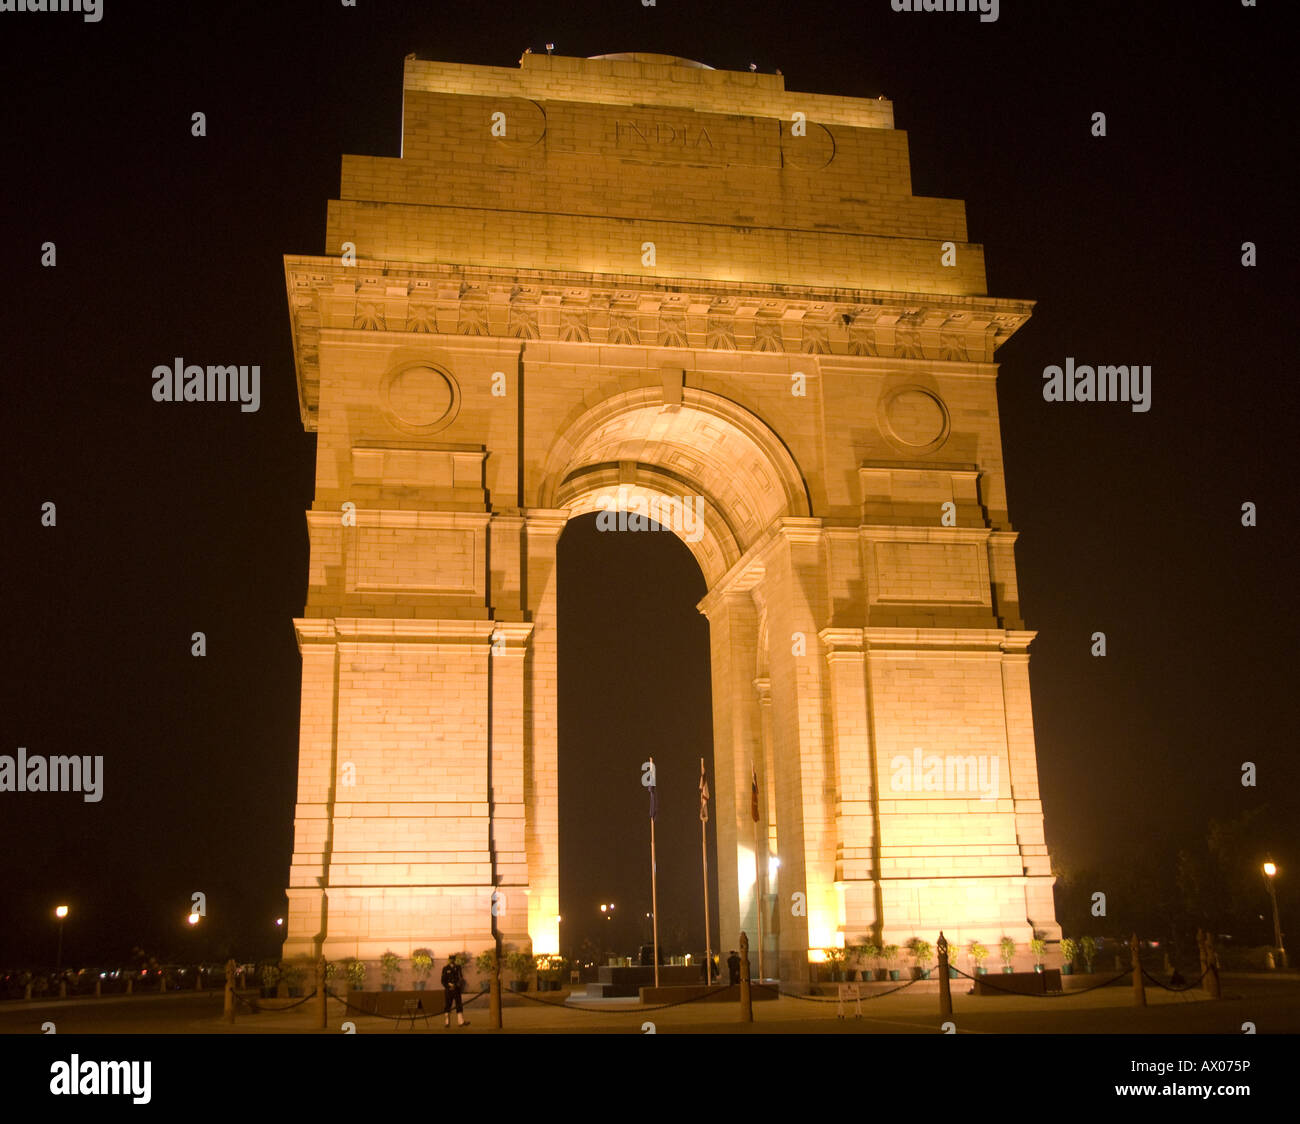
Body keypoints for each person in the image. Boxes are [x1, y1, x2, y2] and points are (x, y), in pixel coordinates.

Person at [441, 955, 469, 1027]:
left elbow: (461, 978)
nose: (452, 961)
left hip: (456, 989)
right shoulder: (445, 968)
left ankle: (461, 1022)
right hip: (448, 990)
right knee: (448, 1005)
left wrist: (457, 985)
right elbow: (443, 980)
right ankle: (447, 1022)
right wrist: (449, 985)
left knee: (459, 1005)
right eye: (450, 959)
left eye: (453, 959)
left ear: (455, 960)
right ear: (449, 960)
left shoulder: (458, 967)